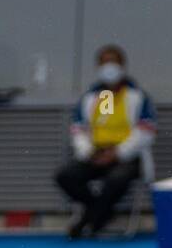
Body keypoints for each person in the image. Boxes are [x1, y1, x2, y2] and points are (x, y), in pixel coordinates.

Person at [55, 44, 155, 237]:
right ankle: (99, 213)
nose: (109, 67)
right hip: (96, 154)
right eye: (104, 63)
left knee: (115, 180)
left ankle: (89, 218)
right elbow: (80, 129)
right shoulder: (98, 97)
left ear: (122, 65)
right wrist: (89, 151)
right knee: (65, 176)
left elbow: (145, 132)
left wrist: (117, 153)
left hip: (127, 156)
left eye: (113, 62)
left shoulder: (136, 96)